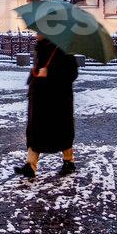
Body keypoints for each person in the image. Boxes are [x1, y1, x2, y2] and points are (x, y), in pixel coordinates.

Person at [15, 34, 79, 179]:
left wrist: (50, 73)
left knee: (61, 132)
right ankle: (30, 165)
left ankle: (69, 161)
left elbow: (72, 73)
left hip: (58, 101)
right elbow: (39, 68)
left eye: (39, 32)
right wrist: (34, 75)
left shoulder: (63, 48)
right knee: (36, 132)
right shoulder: (41, 47)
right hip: (40, 99)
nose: (36, 34)